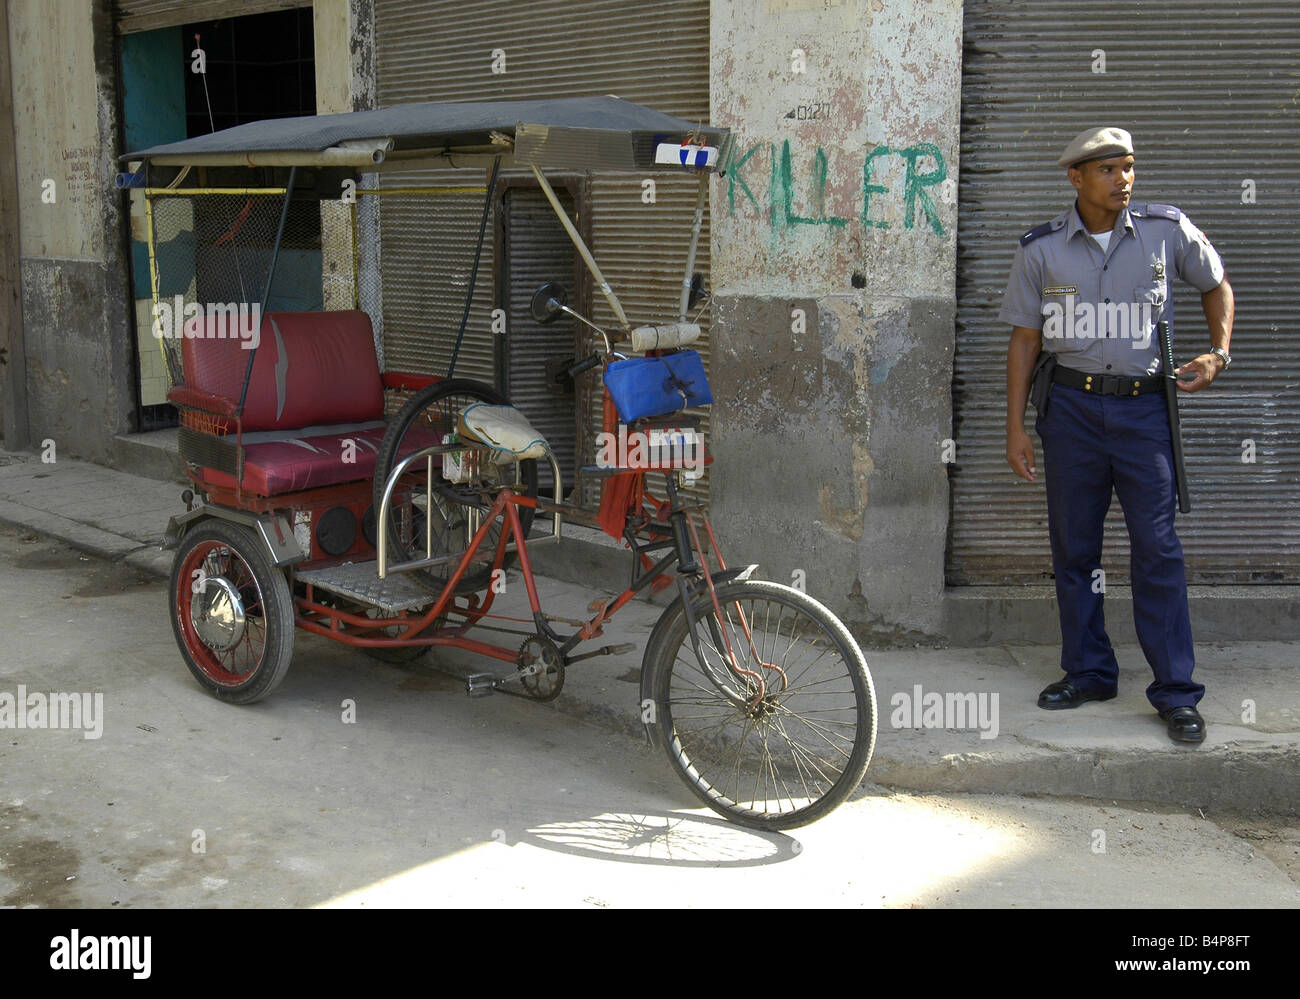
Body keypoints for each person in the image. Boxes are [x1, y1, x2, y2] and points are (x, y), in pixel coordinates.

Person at [999, 126, 1235, 745]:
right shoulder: (1041, 250)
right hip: (1071, 411)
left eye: (1128, 168)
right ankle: (1090, 672)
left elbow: (1215, 284)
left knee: (1157, 548)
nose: (1123, 179)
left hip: (1144, 412)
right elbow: (1025, 339)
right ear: (1076, 178)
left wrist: (1218, 354)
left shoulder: (1165, 230)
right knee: (1074, 549)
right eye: (1108, 170)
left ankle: (1176, 693)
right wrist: (1015, 426)